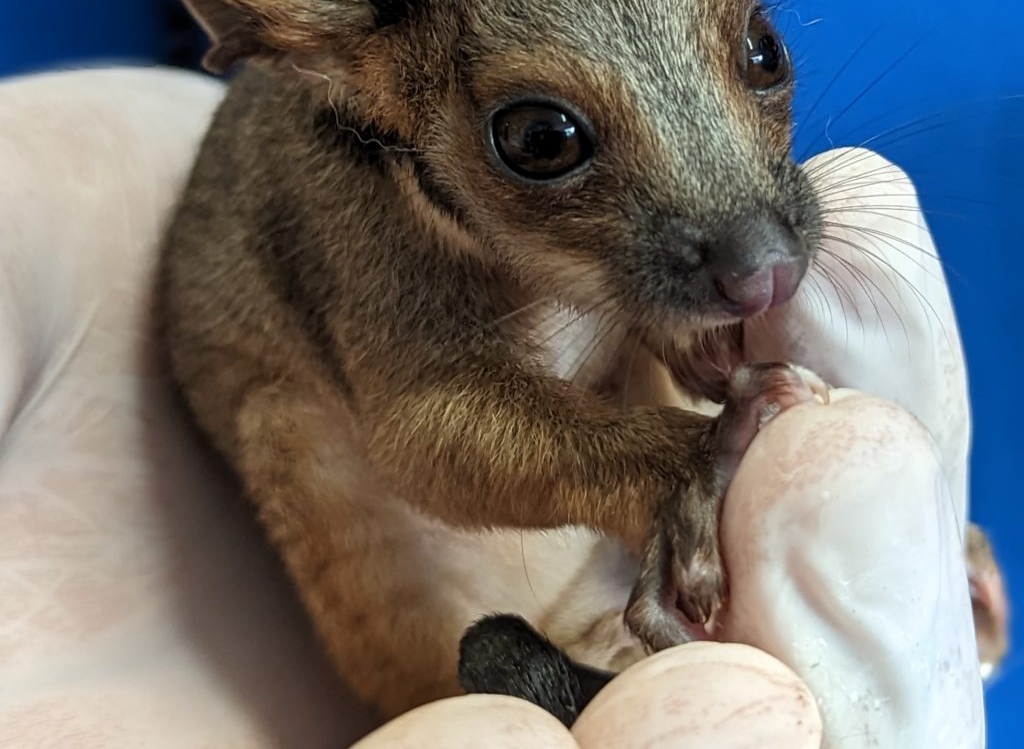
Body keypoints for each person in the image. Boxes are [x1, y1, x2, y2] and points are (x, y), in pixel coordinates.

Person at [0, 67, 984, 747]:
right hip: (383, 521)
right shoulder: (367, 197)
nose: (765, 263)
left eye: (757, 62)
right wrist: (652, 464)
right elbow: (432, 430)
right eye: (542, 141)